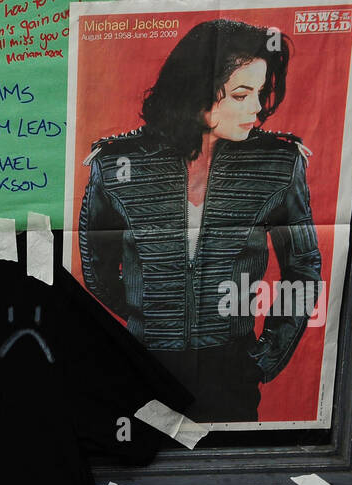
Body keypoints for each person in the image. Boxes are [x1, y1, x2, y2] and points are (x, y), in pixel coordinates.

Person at [78, 18, 323, 423]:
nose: (257, 108)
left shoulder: (278, 162)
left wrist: (263, 358)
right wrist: (152, 315)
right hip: (147, 366)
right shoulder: (117, 162)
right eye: (242, 94)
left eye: (260, 93)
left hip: (233, 367)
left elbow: (303, 268)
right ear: (195, 91)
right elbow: (97, 269)